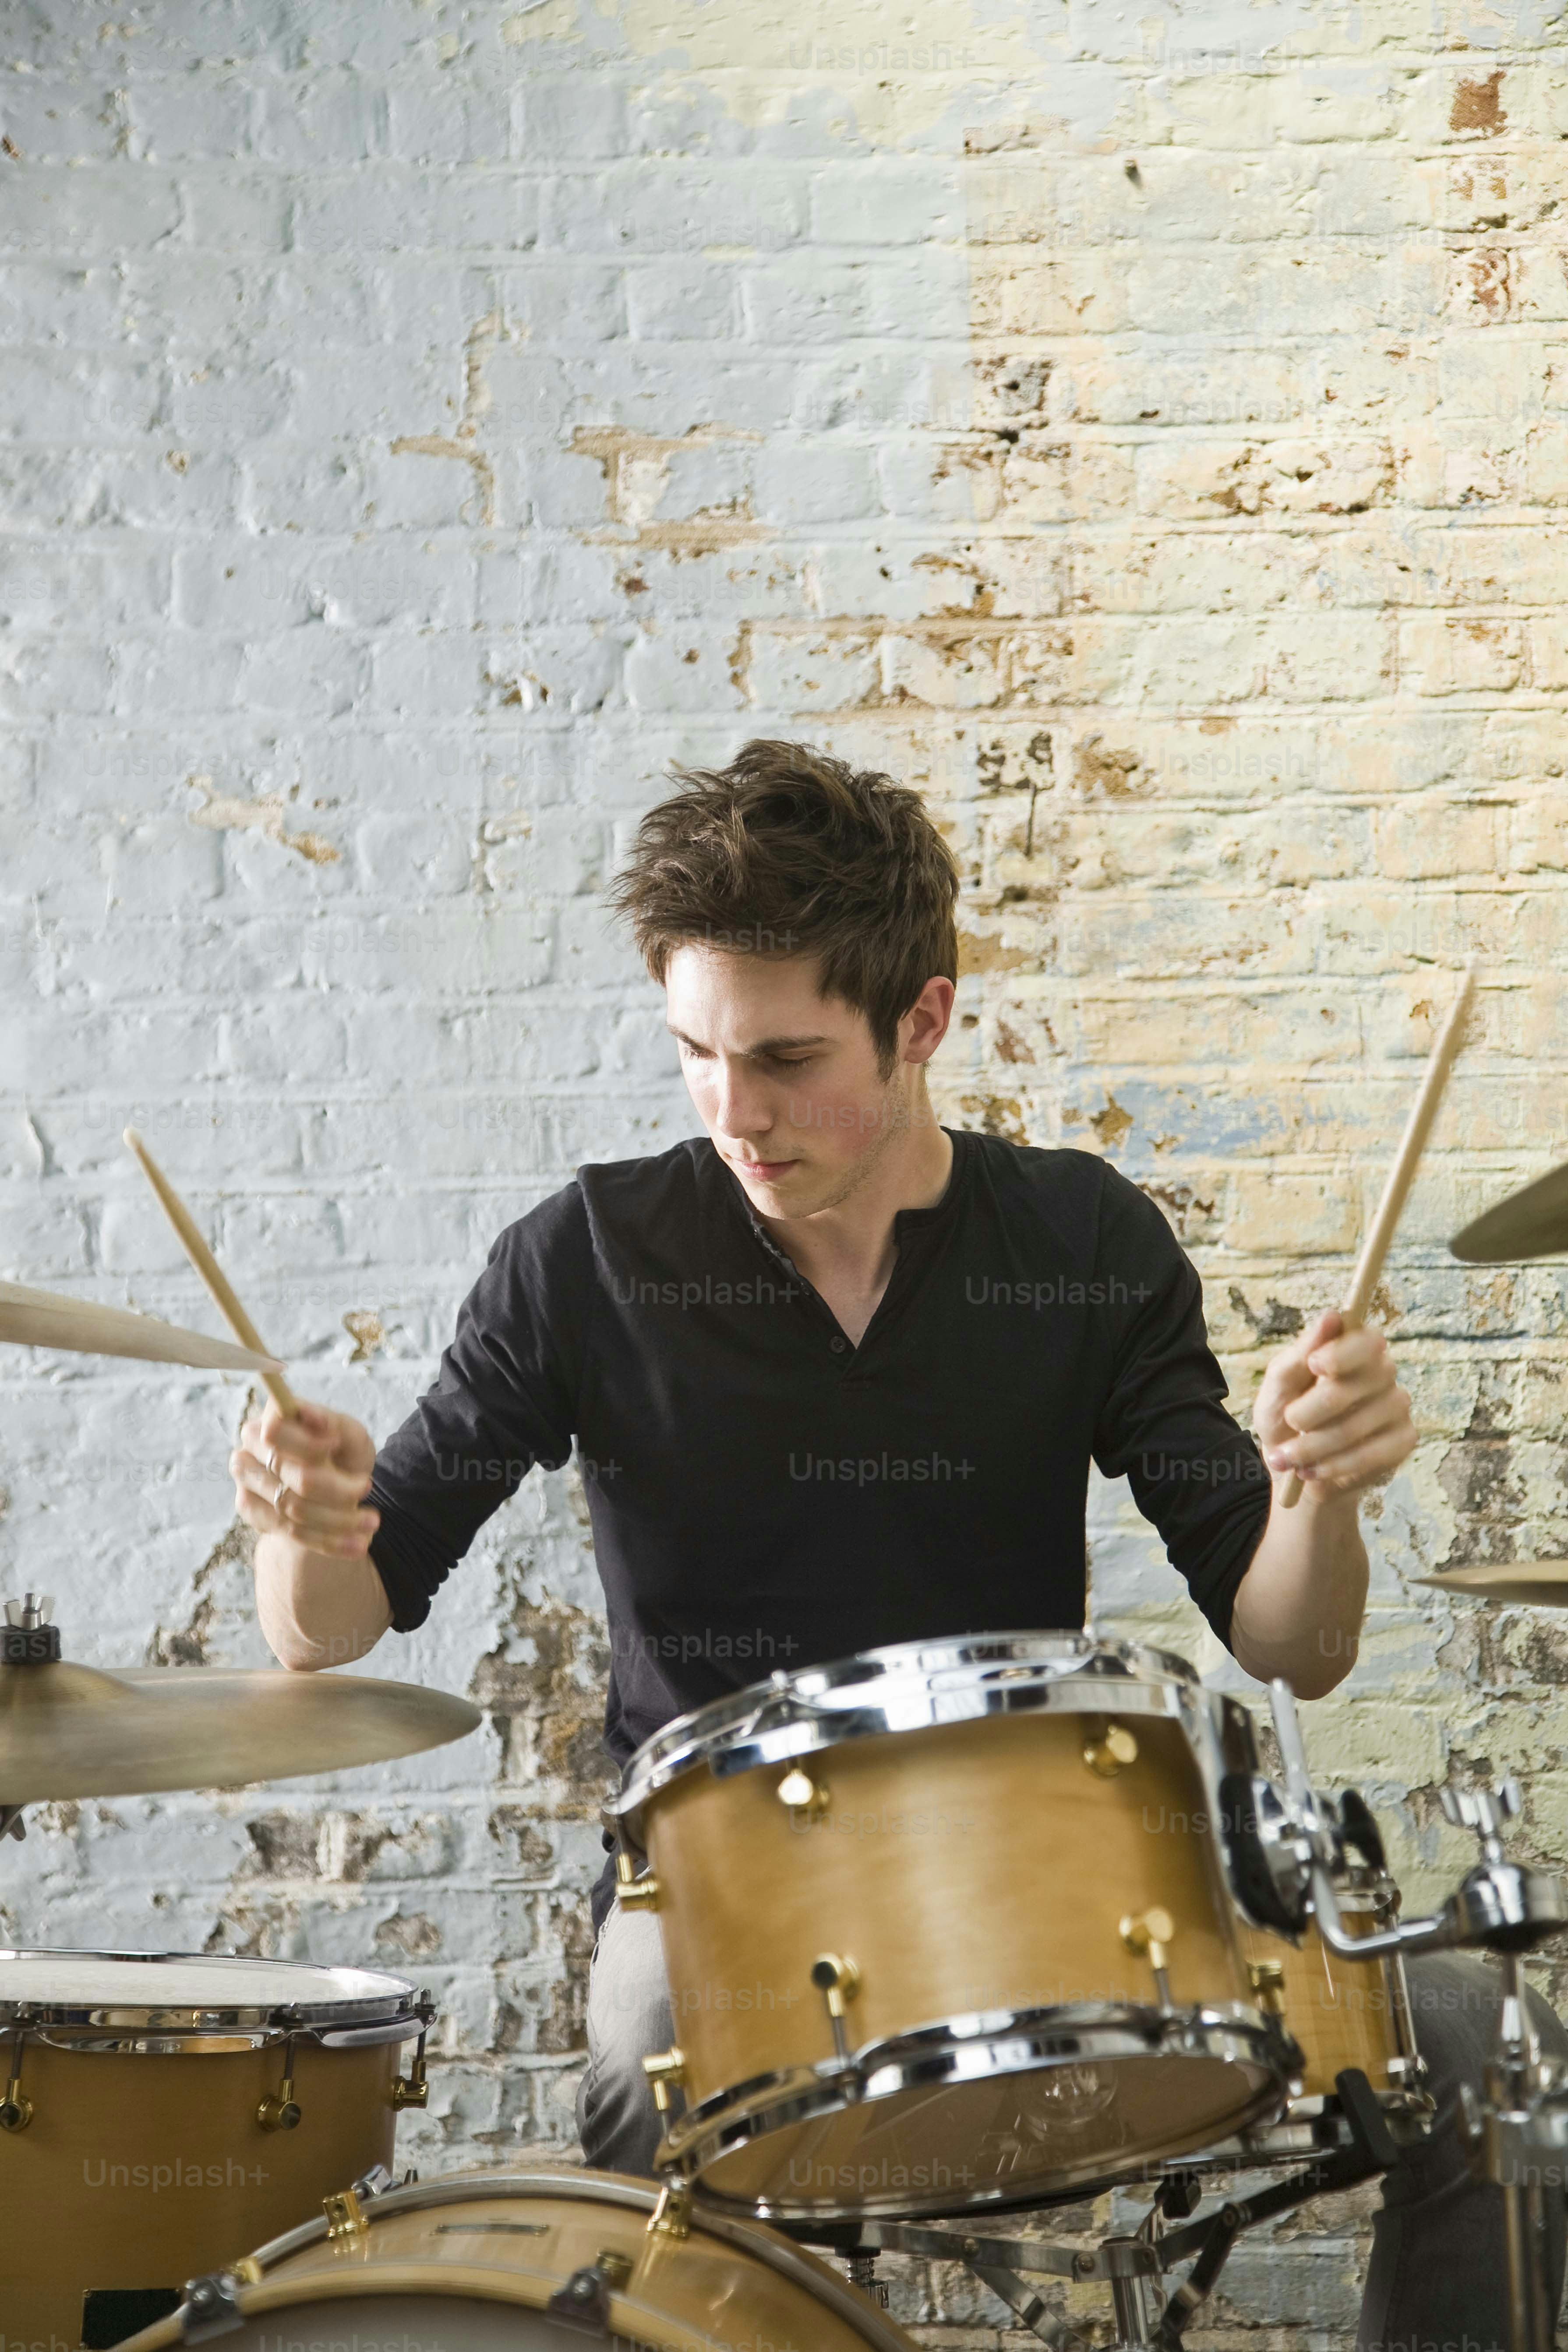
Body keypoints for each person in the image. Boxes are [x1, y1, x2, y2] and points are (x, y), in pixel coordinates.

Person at [231, 738, 1562, 2345]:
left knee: (1486, 2037)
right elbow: (333, 1622)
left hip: (1046, 1871)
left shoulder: (1078, 1240)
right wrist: (301, 1525)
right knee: (644, 2064)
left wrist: (1319, 1488)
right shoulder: (582, 1258)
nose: (735, 1111)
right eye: (696, 1053)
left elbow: (1293, 1639)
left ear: (923, 1016)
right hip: (712, 1901)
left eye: (786, 1059)